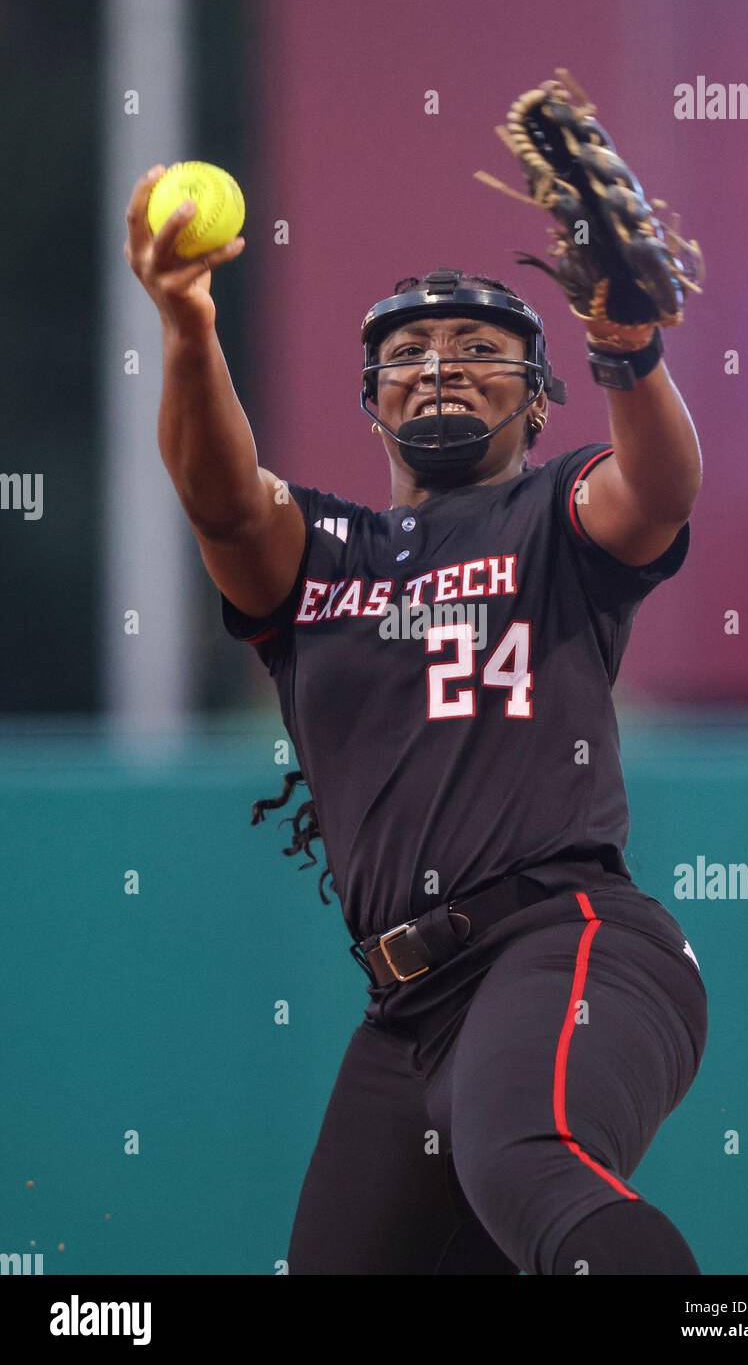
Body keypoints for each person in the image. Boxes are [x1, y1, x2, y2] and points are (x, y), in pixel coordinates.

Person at [125, 165, 708, 1276]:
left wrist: (630, 356)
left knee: (536, 1167)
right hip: (404, 1011)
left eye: (481, 348)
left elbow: (657, 489)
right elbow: (218, 495)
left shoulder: (551, 510)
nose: (440, 361)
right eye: (407, 350)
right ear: (371, 401)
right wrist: (187, 325)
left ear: (538, 399)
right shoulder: (319, 553)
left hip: (563, 941)